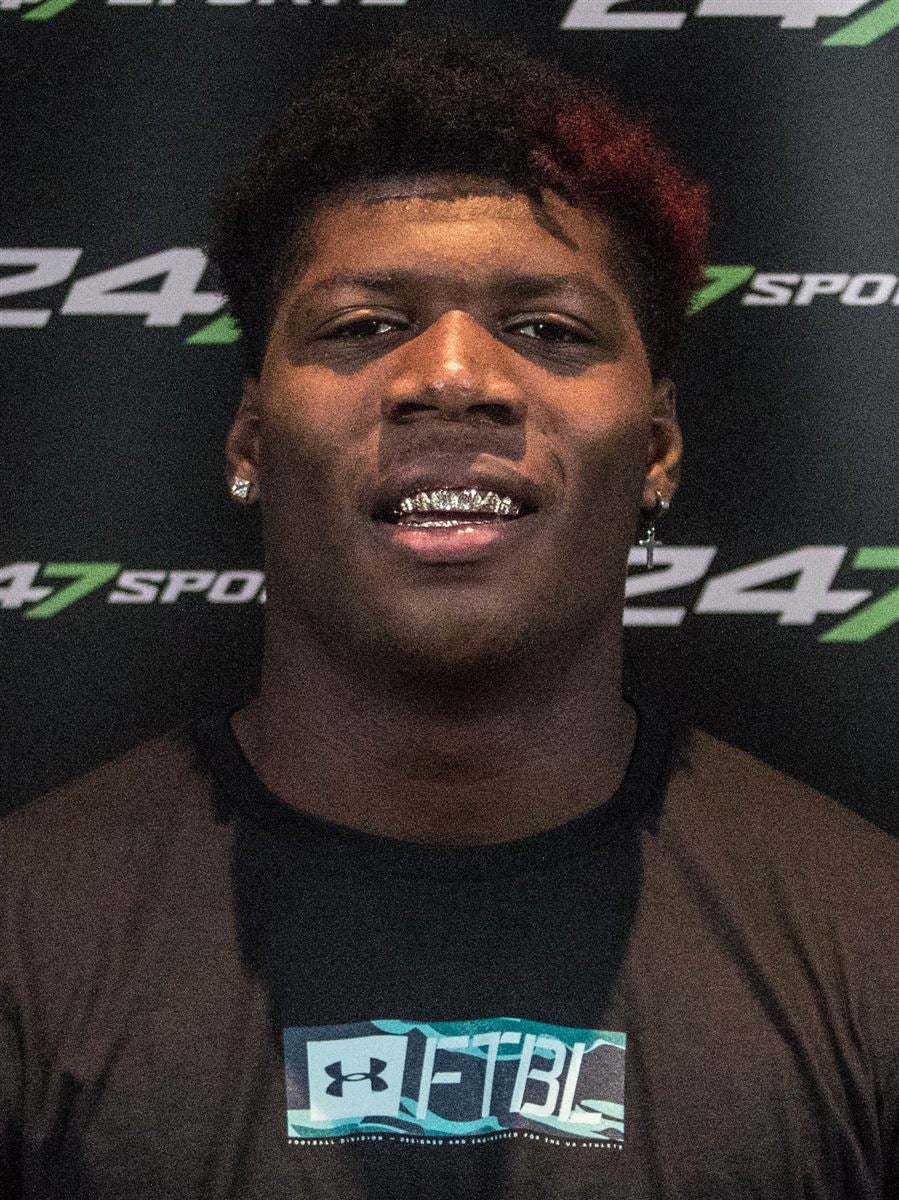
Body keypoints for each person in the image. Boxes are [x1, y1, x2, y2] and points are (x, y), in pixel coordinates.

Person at [1, 30, 897, 1200]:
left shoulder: (869, 942)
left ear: (656, 450)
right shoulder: (24, 942)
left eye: (548, 330)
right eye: (364, 326)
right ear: (250, 441)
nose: (454, 377)